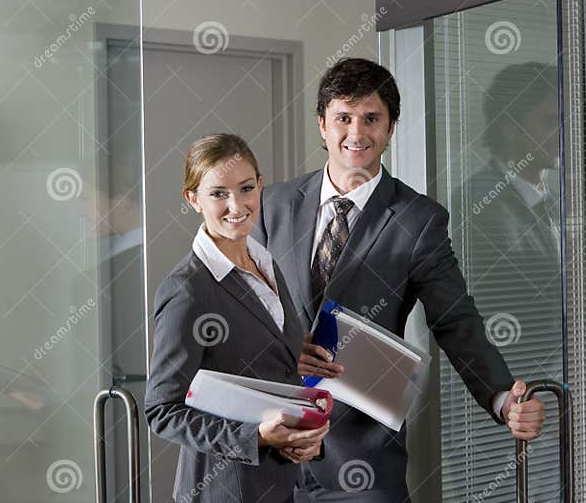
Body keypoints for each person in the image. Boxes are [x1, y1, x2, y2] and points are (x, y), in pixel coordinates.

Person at [253, 58, 546, 502]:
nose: (356, 133)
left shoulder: (418, 220)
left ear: (391, 128)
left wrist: (502, 397)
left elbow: (455, 320)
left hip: (360, 462)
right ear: (322, 125)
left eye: (372, 118)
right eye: (343, 119)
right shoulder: (271, 204)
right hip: (271, 448)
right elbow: (248, 308)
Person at [144, 133, 329, 503]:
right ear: (192, 199)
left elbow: (275, 371)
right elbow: (162, 411)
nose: (236, 205)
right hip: (223, 491)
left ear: (260, 186)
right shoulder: (189, 290)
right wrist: (257, 436)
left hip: (278, 485)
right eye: (218, 193)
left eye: (246, 188)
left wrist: (302, 440)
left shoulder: (266, 262)